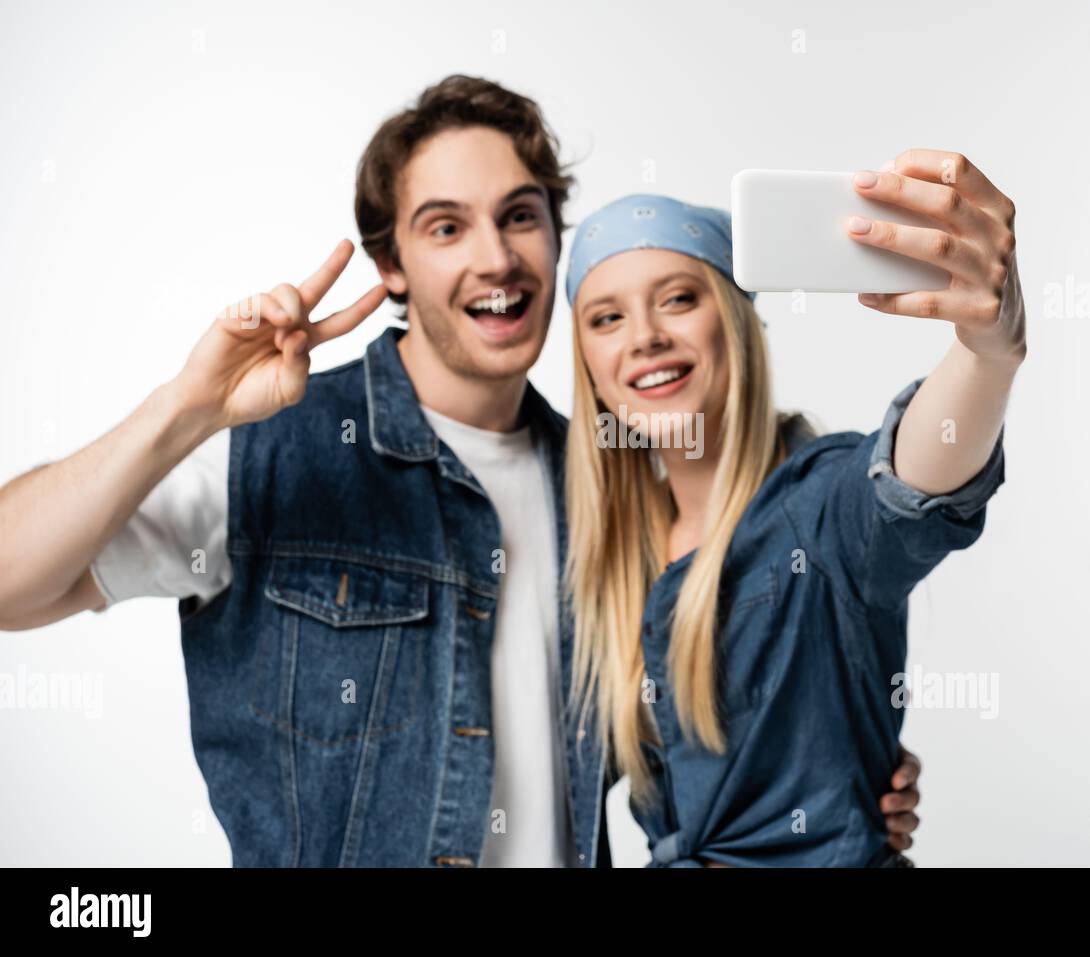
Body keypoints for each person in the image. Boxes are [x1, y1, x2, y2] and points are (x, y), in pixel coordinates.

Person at [0, 75, 924, 866]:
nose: (496, 258)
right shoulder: (277, 454)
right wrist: (184, 410)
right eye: (447, 227)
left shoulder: (612, 493)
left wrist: (842, 768)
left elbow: (729, 698)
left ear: (555, 242)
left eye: (520, 217)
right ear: (390, 264)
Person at [563, 171, 1023, 865]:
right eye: (607, 317)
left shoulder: (819, 503)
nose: (646, 337)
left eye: (679, 299)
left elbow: (913, 481)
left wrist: (985, 352)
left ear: (736, 320)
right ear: (589, 364)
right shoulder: (602, 555)